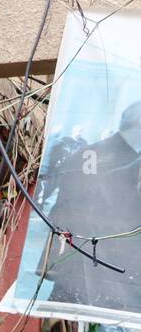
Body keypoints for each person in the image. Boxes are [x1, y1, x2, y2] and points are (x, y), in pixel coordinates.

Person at [44, 100, 141, 312]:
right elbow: (79, 211)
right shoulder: (95, 156)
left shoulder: (102, 154)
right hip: (96, 275)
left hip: (97, 273)